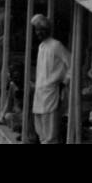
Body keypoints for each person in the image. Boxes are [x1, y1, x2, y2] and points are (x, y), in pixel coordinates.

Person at [31, 14, 70, 144]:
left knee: (50, 129)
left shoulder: (56, 45)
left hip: (52, 90)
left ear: (48, 30)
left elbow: (72, 64)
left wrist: (64, 82)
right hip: (40, 90)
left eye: (42, 29)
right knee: (40, 125)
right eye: (37, 29)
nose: (39, 32)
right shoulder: (41, 46)